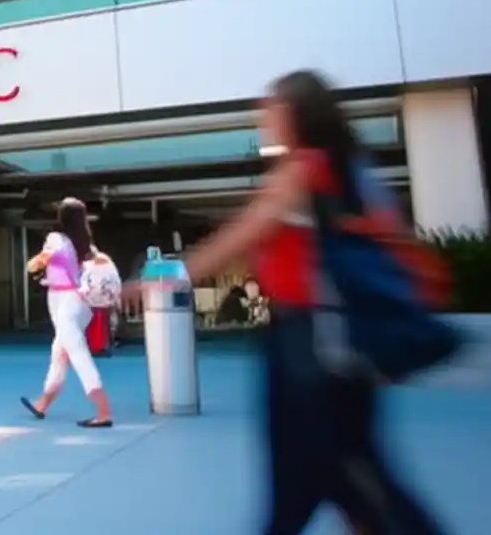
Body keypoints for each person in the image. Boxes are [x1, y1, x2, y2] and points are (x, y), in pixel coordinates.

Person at [130, 70, 444, 534]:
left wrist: (158, 280)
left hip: (310, 345)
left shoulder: (302, 171)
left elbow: (240, 236)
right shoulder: (350, 170)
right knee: (343, 471)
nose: (264, 115)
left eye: (271, 106)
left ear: (296, 113)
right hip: (338, 342)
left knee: (327, 474)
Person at [20, 198, 115, 428]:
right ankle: (43, 403)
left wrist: (35, 263)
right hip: (81, 304)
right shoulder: (86, 244)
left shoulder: (56, 239)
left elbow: (38, 263)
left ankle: (103, 411)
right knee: (59, 354)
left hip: (64, 302)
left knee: (77, 354)